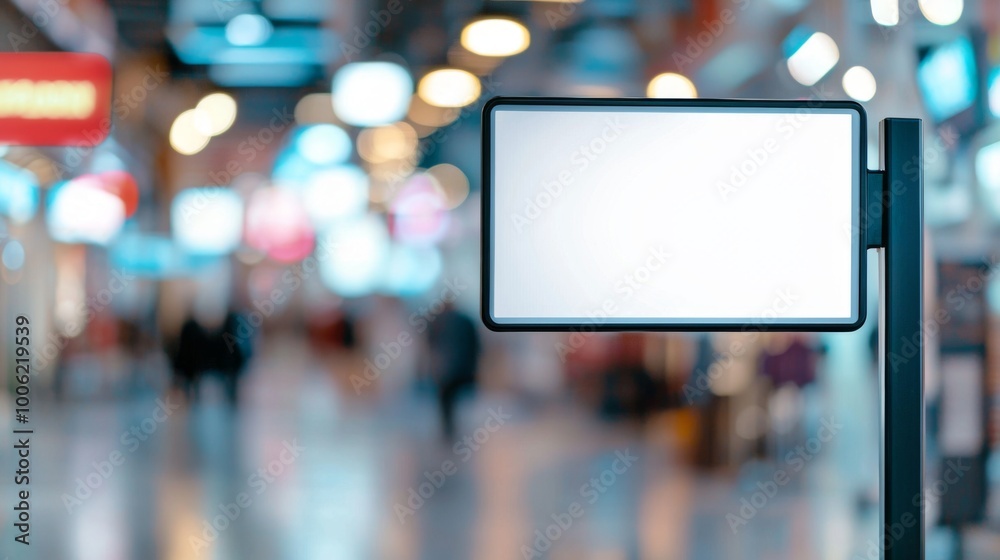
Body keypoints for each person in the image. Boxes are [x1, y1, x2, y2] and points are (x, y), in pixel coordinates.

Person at [427, 303, 481, 440]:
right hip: (459, 367)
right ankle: (453, 429)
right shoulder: (459, 321)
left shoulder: (439, 322)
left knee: (450, 400)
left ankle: (451, 429)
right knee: (453, 399)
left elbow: (432, 345)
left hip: (451, 368)